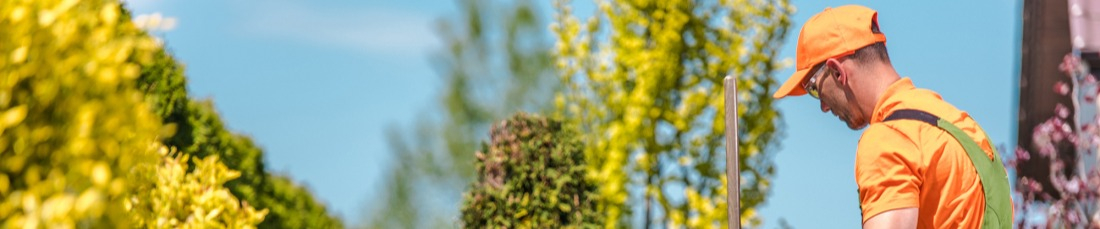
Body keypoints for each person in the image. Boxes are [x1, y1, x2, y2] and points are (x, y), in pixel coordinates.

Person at [772, 5, 1012, 229]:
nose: (823, 106)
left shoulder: (889, 139)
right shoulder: (965, 129)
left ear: (837, 72)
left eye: (814, 88)